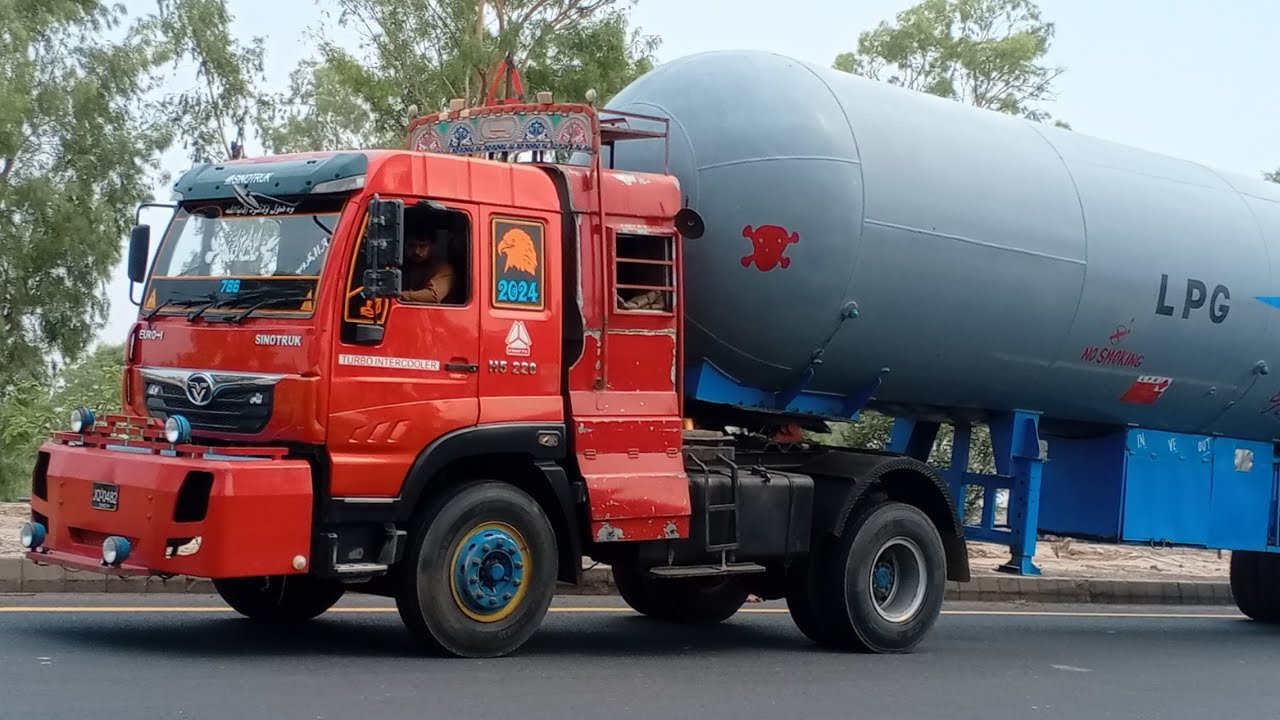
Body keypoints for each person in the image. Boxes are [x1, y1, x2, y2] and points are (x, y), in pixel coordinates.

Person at [400, 226, 455, 304]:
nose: (416, 251)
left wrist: (399, 295)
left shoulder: (443, 268)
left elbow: (433, 296)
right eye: (411, 245)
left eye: (423, 246)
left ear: (433, 247)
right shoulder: (404, 266)